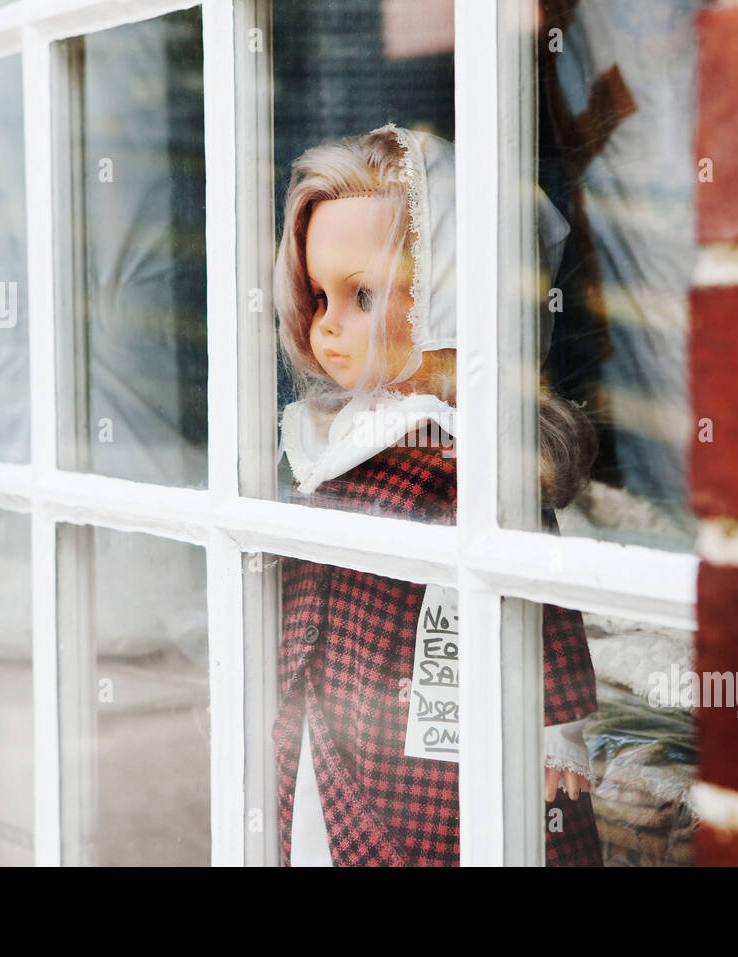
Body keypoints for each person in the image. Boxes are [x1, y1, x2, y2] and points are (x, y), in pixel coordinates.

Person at [273, 123, 601, 866]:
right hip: (328, 716)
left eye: (362, 295)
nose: (327, 326)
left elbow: (536, 597)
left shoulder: (460, 457)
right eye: (319, 295)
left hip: (428, 753)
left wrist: (555, 726)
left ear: (447, 297)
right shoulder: (330, 444)